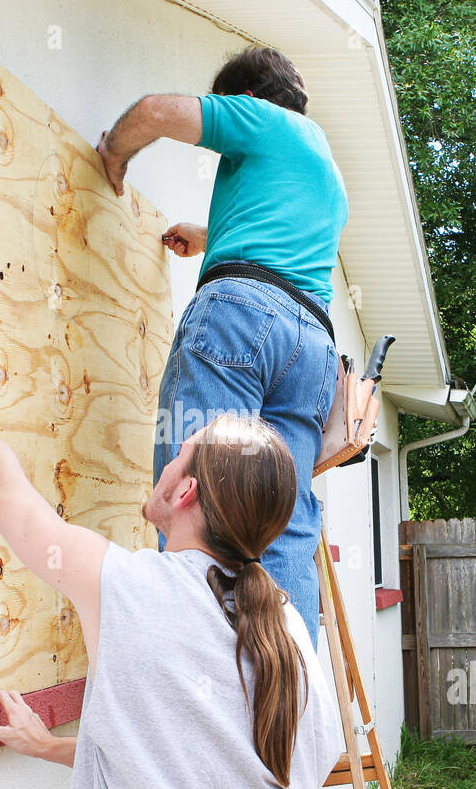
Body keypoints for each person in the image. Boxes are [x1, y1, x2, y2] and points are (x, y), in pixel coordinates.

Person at [0, 313, 343, 789]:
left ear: (186, 492)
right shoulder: (286, 625)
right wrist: (49, 747)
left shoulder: (128, 588)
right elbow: (192, 772)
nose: (166, 462)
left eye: (178, 453)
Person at [95, 46, 350, 648]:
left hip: (241, 321)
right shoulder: (327, 171)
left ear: (247, 98)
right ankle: (281, 711)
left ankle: (194, 691)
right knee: (278, 517)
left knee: (199, 494)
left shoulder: (262, 119)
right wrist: (209, 238)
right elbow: (279, 244)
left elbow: (157, 111)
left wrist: (113, 153)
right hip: (311, 348)